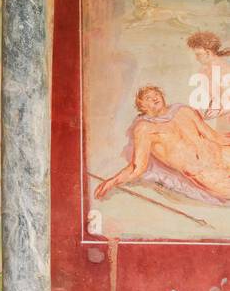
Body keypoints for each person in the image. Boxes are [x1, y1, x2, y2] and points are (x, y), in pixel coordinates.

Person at [95, 84, 230, 206]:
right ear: (141, 106)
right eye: (148, 98)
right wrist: (112, 182)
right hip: (207, 172)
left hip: (223, 153)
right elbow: (137, 168)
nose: (154, 98)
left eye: (156, 94)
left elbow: (214, 137)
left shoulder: (184, 110)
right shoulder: (145, 128)